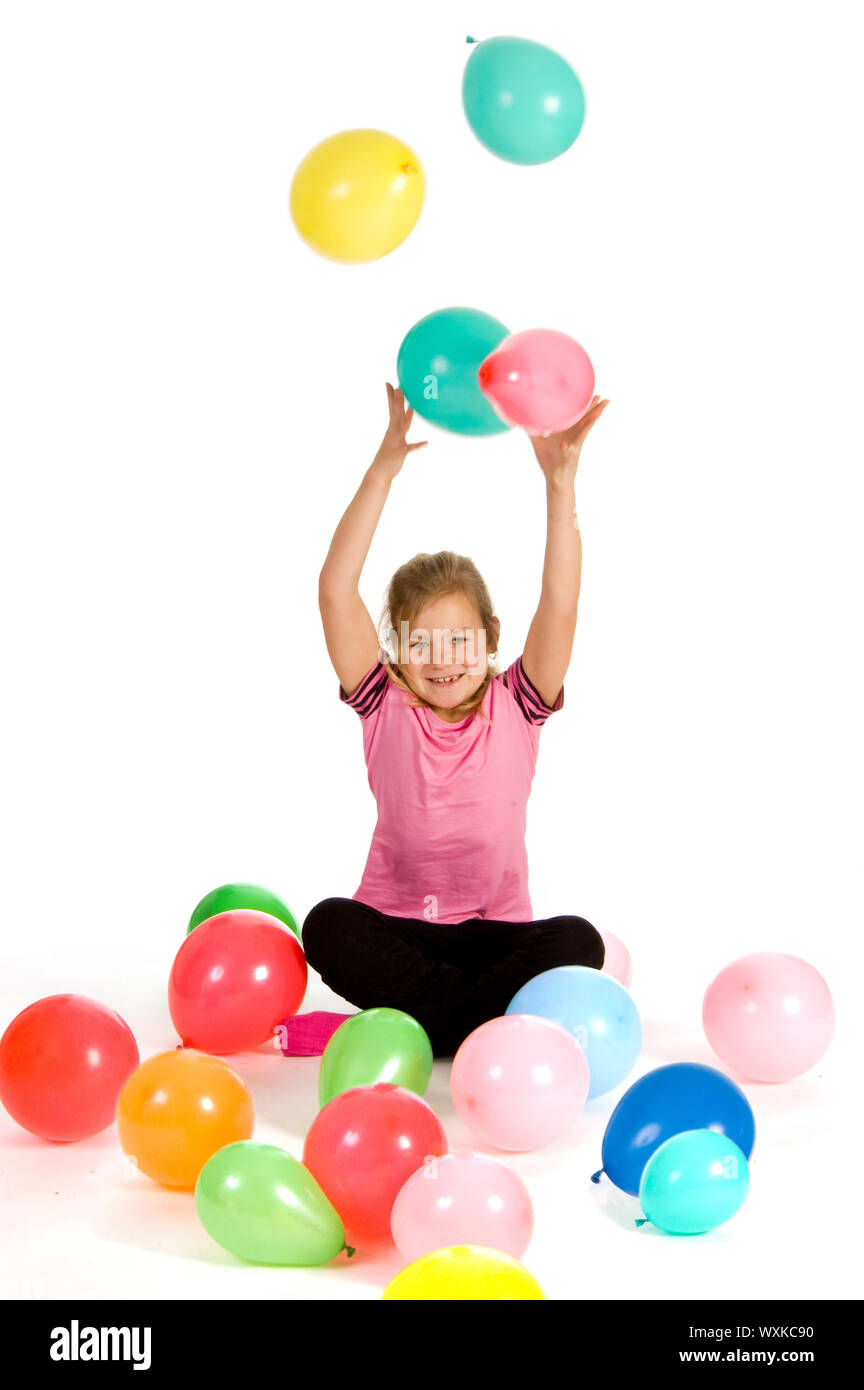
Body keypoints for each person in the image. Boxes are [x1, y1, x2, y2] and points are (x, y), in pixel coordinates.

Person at [280, 383, 610, 1060]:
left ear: (489, 637)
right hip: (401, 932)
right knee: (326, 926)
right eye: (419, 643)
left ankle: (409, 1027)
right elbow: (335, 590)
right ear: (397, 650)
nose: (441, 659)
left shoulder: (517, 702)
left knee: (581, 942)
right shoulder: (384, 701)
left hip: (497, 935)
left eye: (458, 640)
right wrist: (383, 469)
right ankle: (478, 1022)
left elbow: (561, 605)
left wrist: (558, 485)